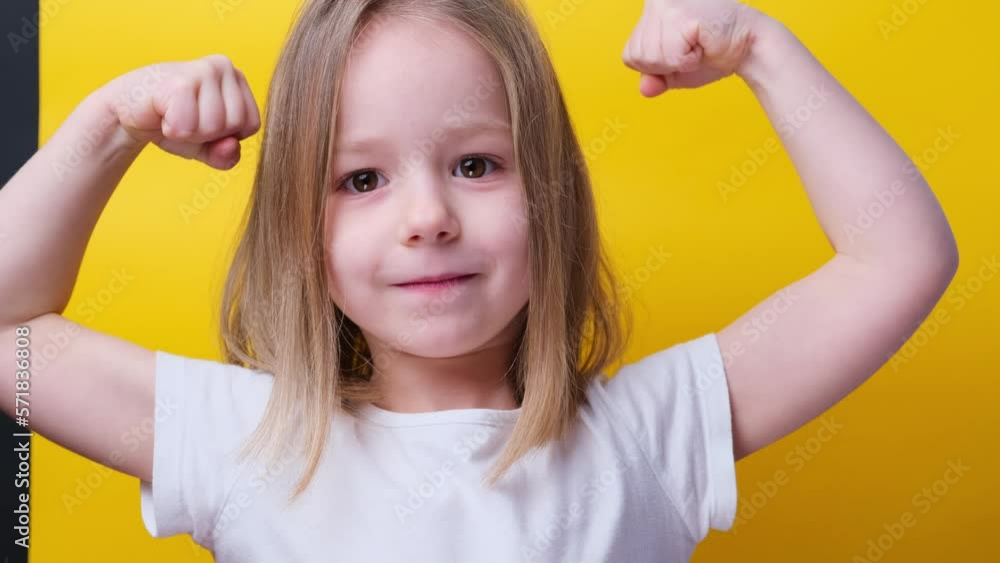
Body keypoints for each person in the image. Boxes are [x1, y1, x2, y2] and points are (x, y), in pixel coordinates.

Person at [0, 0, 958, 561]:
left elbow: (899, 258)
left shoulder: (653, 435)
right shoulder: (242, 440)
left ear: (556, 199)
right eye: (362, 178)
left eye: (476, 164)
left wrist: (761, 49)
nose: (428, 217)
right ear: (299, 231)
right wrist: (108, 126)